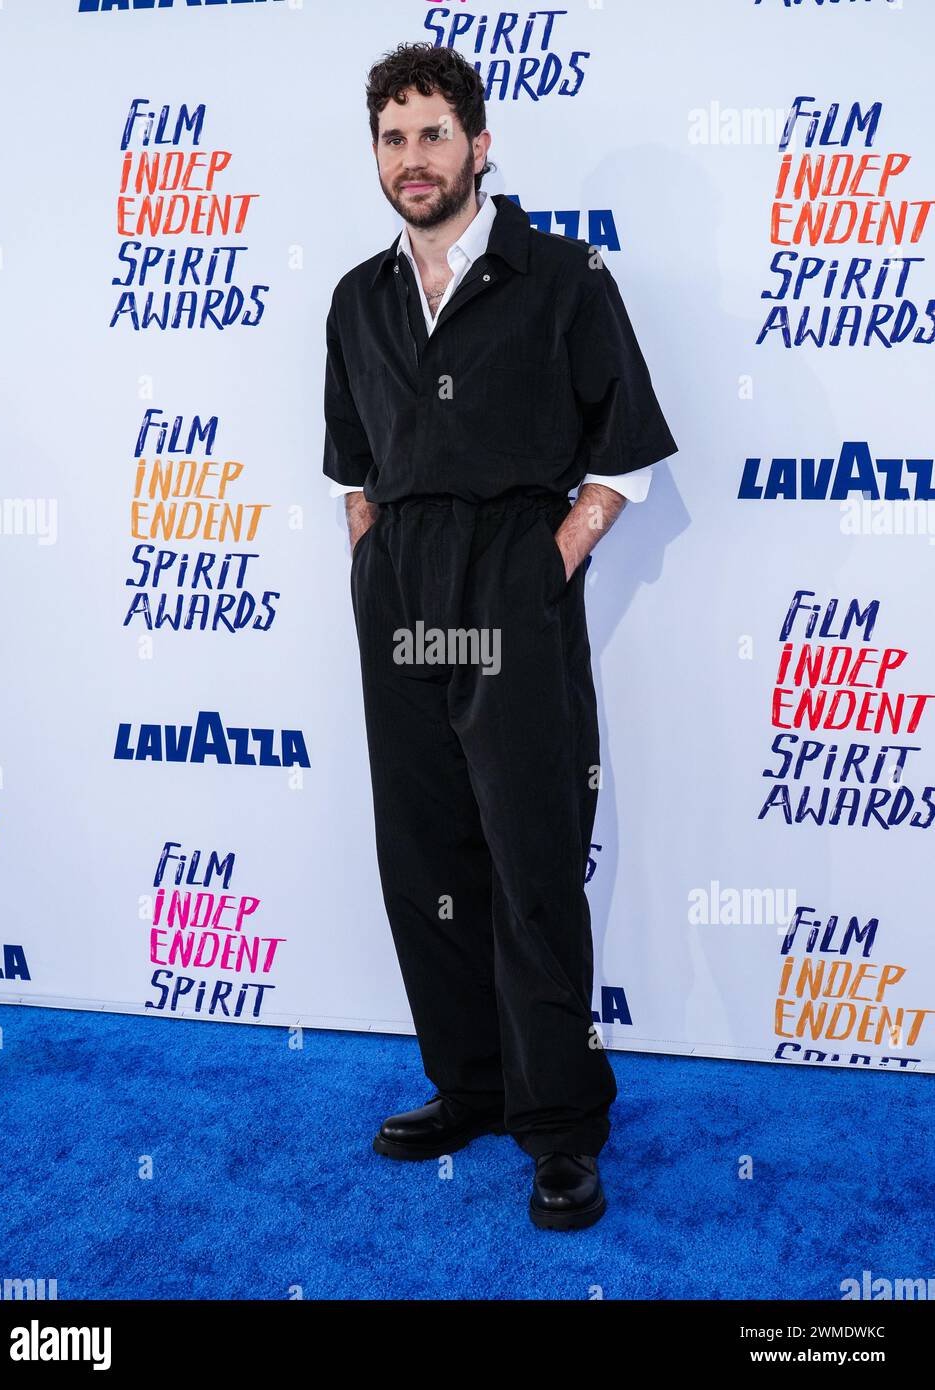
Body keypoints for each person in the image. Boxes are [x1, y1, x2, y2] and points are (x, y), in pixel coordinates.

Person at [322, 42, 678, 1230]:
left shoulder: (564, 275)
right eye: (392, 137)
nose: (411, 160)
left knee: (532, 864)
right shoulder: (358, 298)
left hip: (510, 590)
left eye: (432, 134)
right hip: (402, 598)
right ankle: (467, 1085)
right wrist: (373, 557)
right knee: (424, 859)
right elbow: (353, 467)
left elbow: (623, 450)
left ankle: (562, 1124)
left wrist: (548, 560)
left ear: (481, 143)